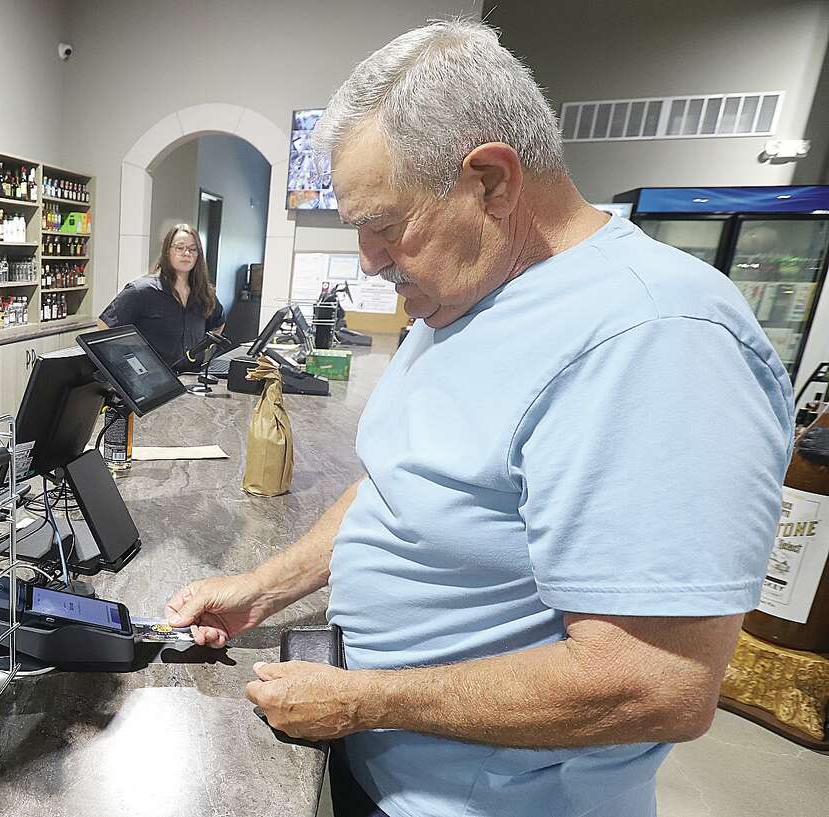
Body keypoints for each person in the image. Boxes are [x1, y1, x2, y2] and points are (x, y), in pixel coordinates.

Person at [165, 19, 791, 817]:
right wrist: (261, 589)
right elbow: (404, 488)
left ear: (491, 181)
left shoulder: (657, 340)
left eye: (384, 225)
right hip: (383, 764)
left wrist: (364, 700)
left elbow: (655, 682)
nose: (367, 259)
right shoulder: (461, 296)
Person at [98, 223, 225, 371]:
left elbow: (218, 323)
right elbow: (105, 326)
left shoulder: (203, 293)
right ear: (167, 251)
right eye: (180, 247)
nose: (186, 253)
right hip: (154, 384)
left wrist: (202, 349)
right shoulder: (141, 290)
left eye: (193, 249)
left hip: (192, 379)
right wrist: (131, 368)